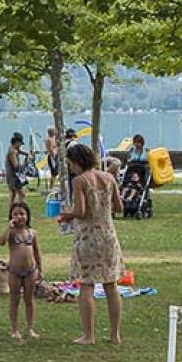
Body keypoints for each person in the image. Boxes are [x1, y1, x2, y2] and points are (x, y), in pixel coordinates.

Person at [65, 142, 125, 346]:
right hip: (108, 236)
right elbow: (119, 206)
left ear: (77, 162)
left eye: (71, 164)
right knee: (111, 285)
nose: (70, 168)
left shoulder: (80, 181)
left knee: (87, 285)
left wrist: (67, 214)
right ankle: (115, 334)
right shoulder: (108, 178)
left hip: (88, 237)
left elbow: (81, 211)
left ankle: (88, 335)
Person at [0, 200, 41, 342]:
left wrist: (40, 269)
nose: (19, 217)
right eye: (15, 214)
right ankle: (14, 329)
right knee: (14, 300)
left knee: (30, 300)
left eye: (22, 214)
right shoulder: (11, 233)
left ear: (28, 216)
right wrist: (8, 228)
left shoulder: (32, 233)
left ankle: (30, 328)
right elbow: (1, 242)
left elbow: (36, 252)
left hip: (30, 271)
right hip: (14, 271)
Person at [4, 132, 31, 198]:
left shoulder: (14, 148)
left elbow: (19, 151)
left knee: (15, 194)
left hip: (14, 175)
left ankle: (15, 207)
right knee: (19, 194)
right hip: (13, 176)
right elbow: (17, 167)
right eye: (20, 143)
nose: (21, 145)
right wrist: (26, 162)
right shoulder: (12, 152)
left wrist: (27, 154)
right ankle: (19, 207)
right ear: (16, 142)